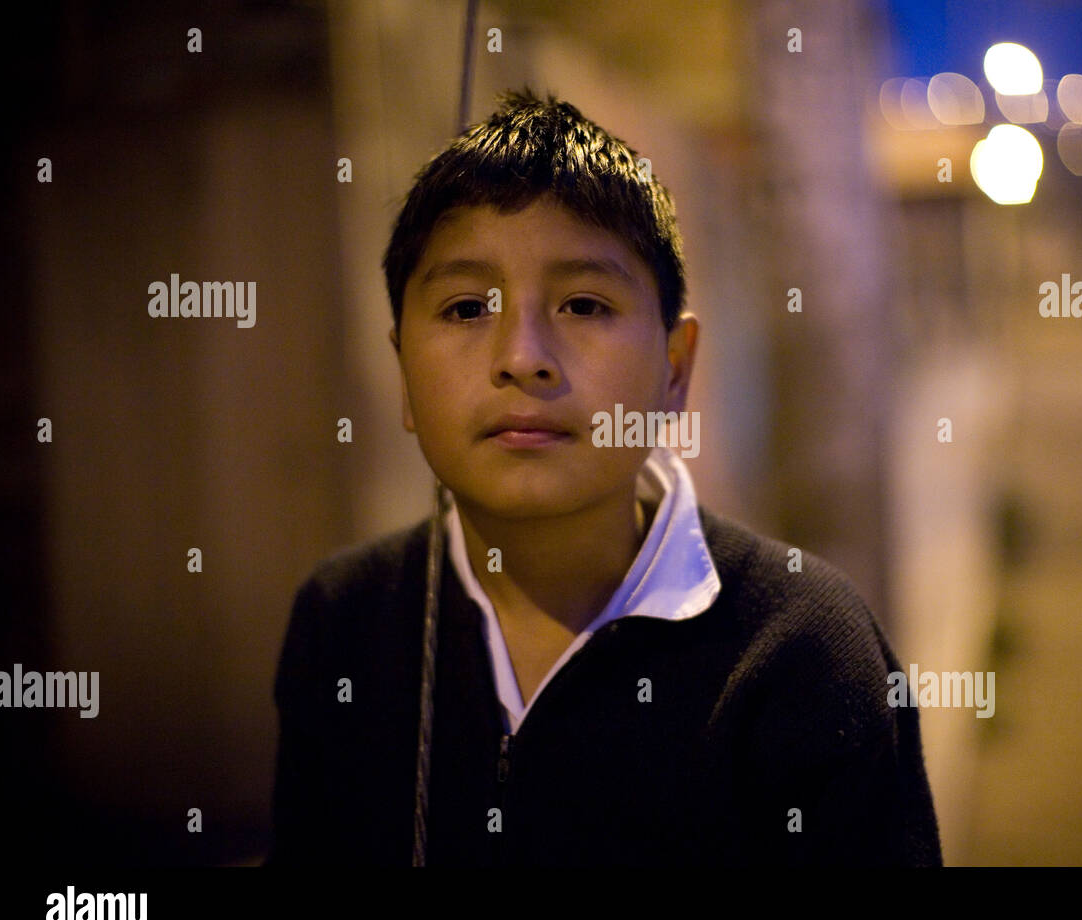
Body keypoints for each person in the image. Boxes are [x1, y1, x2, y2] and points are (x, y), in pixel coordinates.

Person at [268, 89, 941, 866]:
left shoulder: (802, 651)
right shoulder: (346, 621)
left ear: (675, 369)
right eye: (463, 309)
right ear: (402, 372)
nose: (522, 356)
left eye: (584, 303)